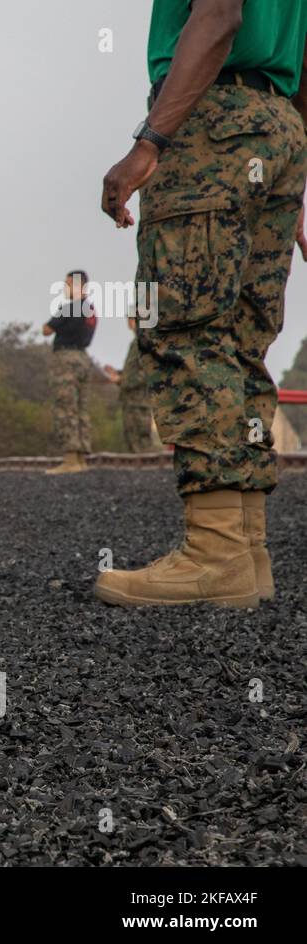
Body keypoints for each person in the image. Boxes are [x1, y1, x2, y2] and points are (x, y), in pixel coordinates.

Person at [96, 0, 307, 608]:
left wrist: (149, 141)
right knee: (243, 338)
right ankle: (246, 549)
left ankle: (215, 554)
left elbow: (217, 15)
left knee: (187, 327)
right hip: (280, 127)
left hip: (214, 124)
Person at [42, 271, 97, 475]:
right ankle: (81, 458)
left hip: (66, 359)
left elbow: (47, 329)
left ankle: (70, 458)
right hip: (83, 358)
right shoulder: (90, 310)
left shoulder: (70, 307)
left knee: (66, 407)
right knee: (81, 408)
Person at [104, 314, 156, 453]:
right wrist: (118, 373)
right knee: (132, 440)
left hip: (139, 402)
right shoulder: (136, 343)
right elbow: (134, 371)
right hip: (132, 401)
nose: (129, 322)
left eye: (131, 319)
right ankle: (140, 472)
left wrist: (121, 380)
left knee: (141, 441)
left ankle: (147, 472)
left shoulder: (144, 342)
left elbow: (146, 372)